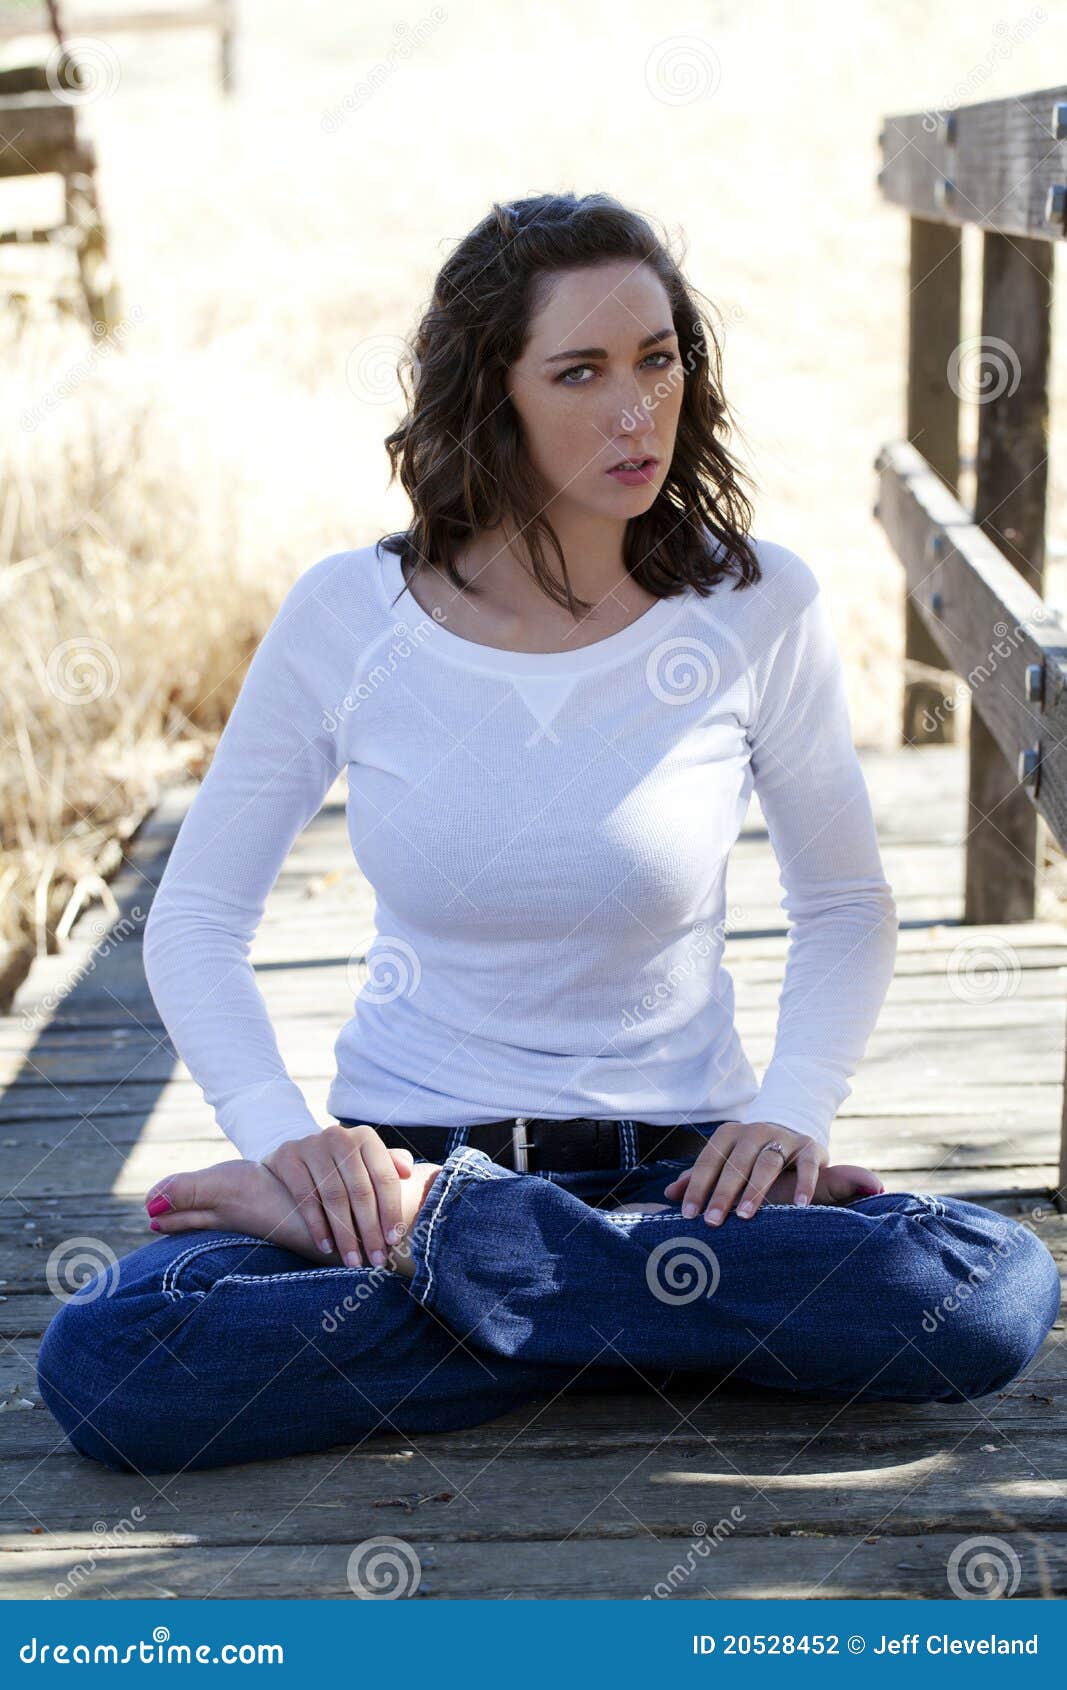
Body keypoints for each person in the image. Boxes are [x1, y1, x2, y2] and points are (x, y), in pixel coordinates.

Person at [36, 193, 1061, 1474]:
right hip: (400, 1164)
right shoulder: (350, 617)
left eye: (658, 359)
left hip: (687, 1179)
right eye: (579, 372)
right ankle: (638, 1318)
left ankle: (476, 1271)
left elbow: (844, 906)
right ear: (490, 395)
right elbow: (192, 921)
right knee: (116, 1351)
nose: (637, 409)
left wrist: (793, 1108)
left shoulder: (756, 607)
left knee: (988, 1288)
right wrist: (286, 1147)